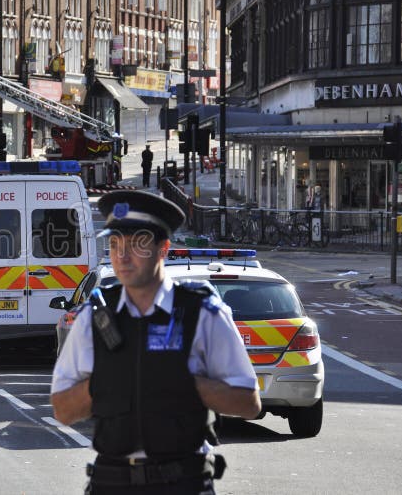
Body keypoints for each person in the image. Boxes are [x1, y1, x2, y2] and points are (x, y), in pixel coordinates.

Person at [51, 190, 260, 494]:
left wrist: (183, 380)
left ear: (163, 249)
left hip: (182, 480)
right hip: (113, 480)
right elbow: (62, 410)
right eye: (114, 244)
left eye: (136, 244)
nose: (122, 256)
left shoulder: (201, 313)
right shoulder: (93, 318)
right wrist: (107, 381)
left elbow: (249, 403)